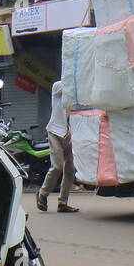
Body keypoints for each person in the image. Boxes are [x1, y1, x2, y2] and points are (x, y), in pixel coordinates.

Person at [36, 79, 78, 213]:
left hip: (70, 135)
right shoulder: (58, 86)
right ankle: (42, 194)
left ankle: (62, 202)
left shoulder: (78, 94)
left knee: (70, 170)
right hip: (55, 131)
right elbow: (69, 85)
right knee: (57, 166)